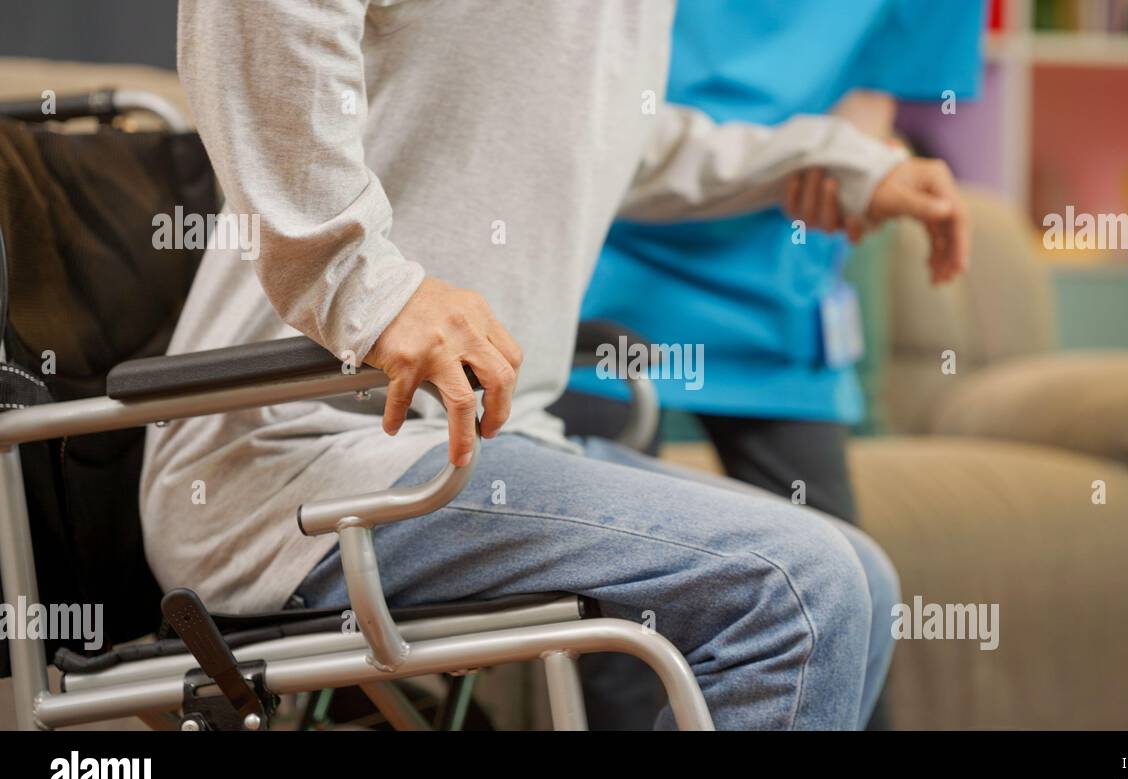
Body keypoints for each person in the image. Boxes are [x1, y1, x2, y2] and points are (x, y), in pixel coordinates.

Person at [144, 0, 966, 730]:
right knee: (799, 590)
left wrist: (839, 159)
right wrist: (369, 285)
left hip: (485, 446)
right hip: (293, 456)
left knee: (861, 574)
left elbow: (626, 135)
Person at [568, 0, 985, 525]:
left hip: (779, 295)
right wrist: (826, 156)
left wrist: (856, 171)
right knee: (591, 580)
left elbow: (863, 113)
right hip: (598, 285)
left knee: (845, 581)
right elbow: (598, 119)